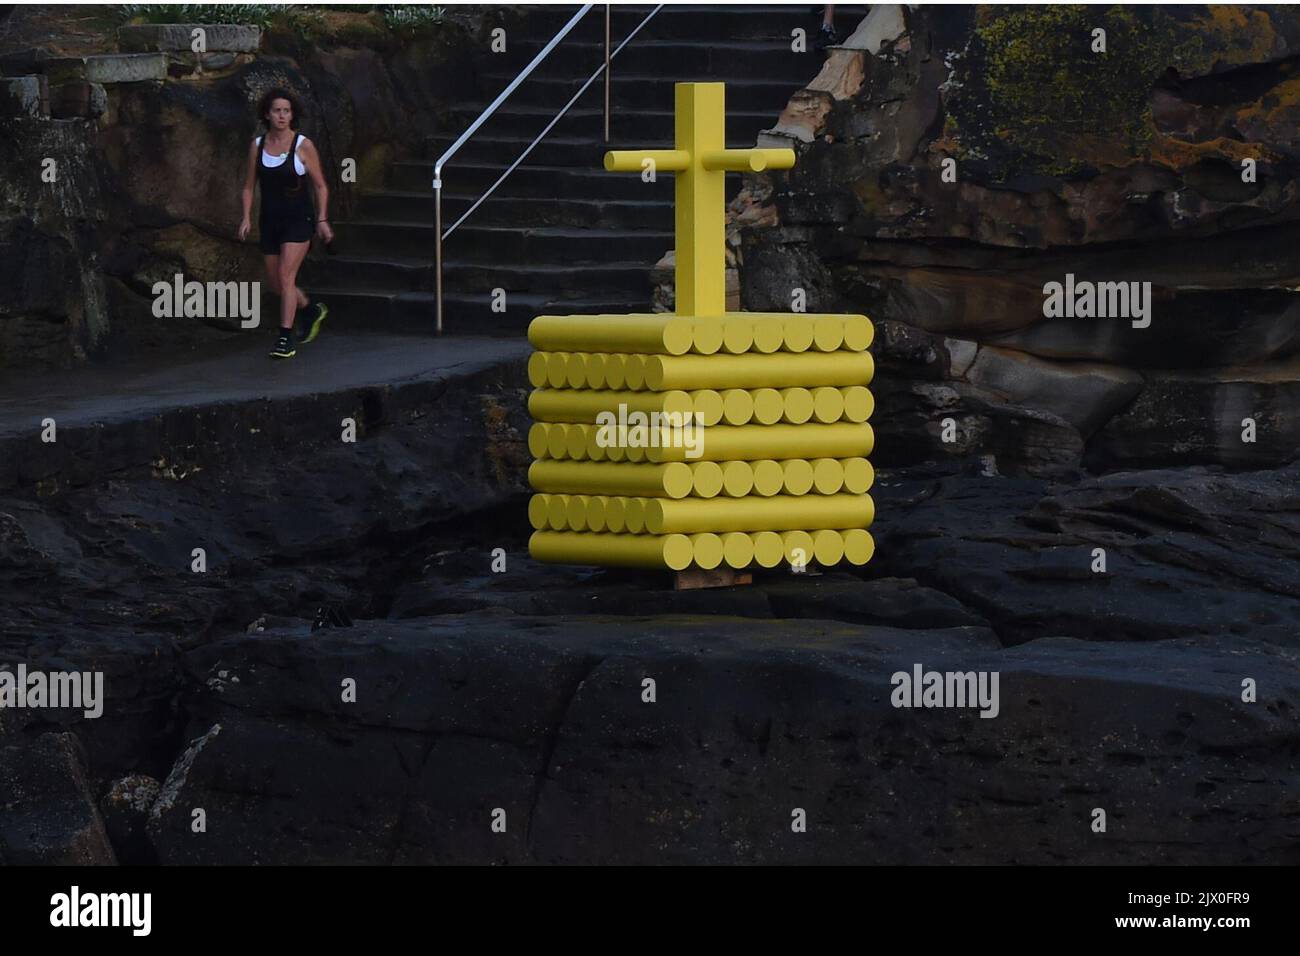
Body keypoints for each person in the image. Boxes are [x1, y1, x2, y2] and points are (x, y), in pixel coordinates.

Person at [238, 88, 332, 359]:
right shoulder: (257, 146)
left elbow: (321, 186)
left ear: (292, 115)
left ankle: (285, 338)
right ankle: (309, 309)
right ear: (267, 114)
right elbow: (247, 186)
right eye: (277, 111)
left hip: (299, 220)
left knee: (286, 277)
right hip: (270, 220)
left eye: (286, 111)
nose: (282, 116)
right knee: (276, 284)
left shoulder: (303, 145)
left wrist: (323, 219)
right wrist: (245, 217)